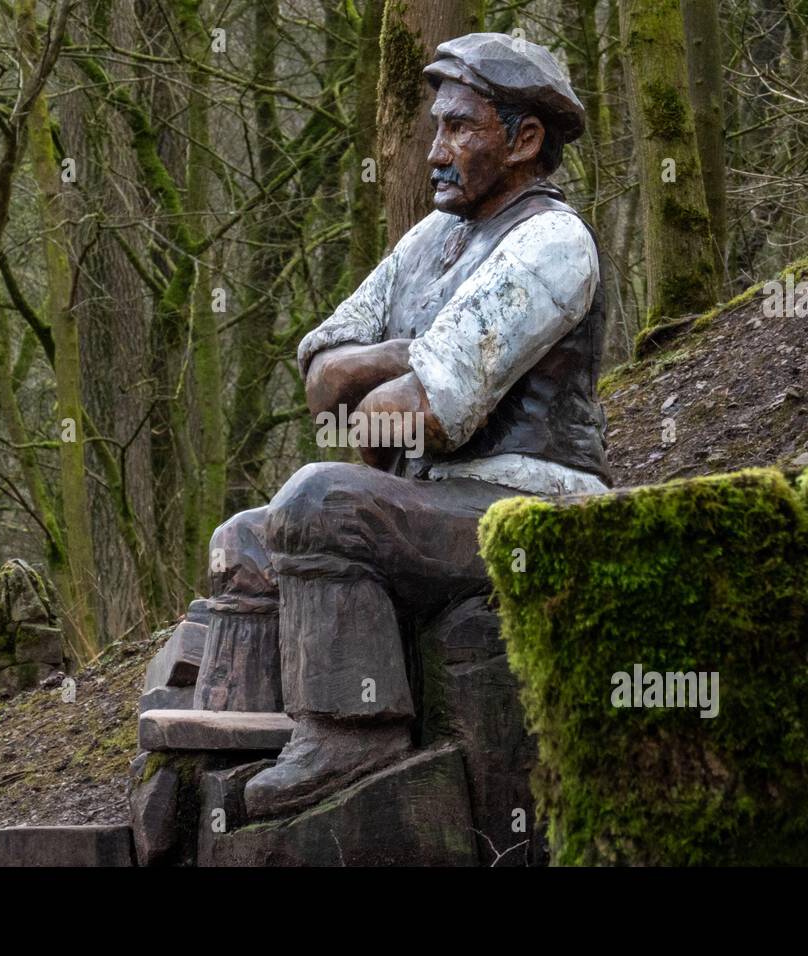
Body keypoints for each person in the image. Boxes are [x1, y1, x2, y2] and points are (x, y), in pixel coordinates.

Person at [193, 33, 613, 817]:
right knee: (244, 540)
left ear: (523, 141)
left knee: (322, 503)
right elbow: (320, 371)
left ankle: (353, 733)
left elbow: (430, 415)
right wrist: (400, 353)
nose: (435, 152)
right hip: (434, 499)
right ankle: (242, 730)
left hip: (530, 506)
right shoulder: (431, 241)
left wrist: (385, 392)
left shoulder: (553, 243)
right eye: (436, 128)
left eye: (459, 128)